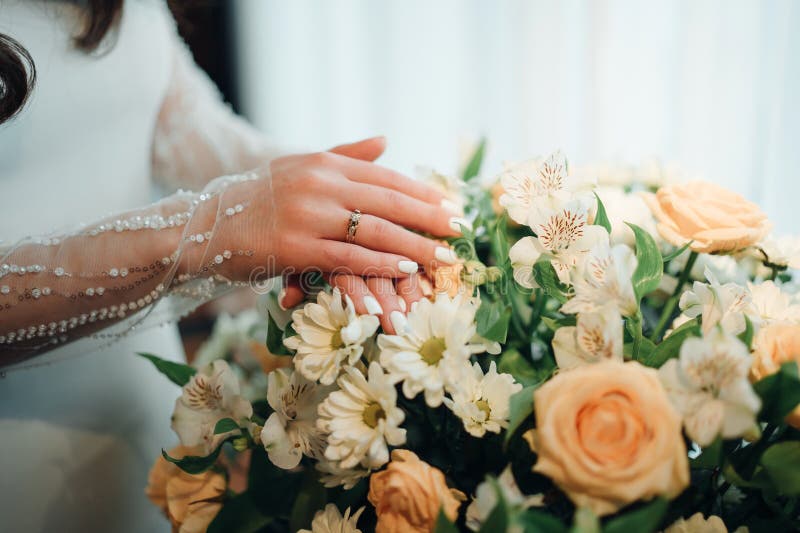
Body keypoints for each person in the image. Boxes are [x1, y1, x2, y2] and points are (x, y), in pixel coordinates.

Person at [0, 1, 461, 530]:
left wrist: (351, 219)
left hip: (148, 430)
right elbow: (227, 213)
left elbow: (206, 144)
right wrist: (205, 232)